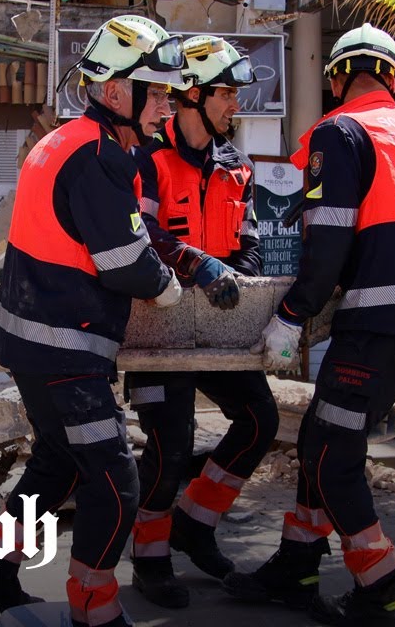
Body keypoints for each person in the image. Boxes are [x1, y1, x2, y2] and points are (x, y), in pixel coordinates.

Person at [0, 14, 185, 627]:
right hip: (66, 350)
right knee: (114, 483)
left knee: (56, 463)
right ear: (114, 91)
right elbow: (126, 264)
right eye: (156, 91)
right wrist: (170, 288)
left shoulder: (67, 140)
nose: (166, 104)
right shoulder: (101, 156)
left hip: (34, 342)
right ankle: (95, 611)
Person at [230, 23, 395, 627]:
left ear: (337, 77)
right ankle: (296, 566)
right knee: (325, 437)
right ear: (393, 77)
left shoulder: (341, 130)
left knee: (328, 452)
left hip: (375, 327)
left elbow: (329, 237)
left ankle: (381, 588)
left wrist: (290, 316)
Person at [125, 35, 279, 608]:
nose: (235, 104)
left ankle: (195, 523)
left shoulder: (236, 165)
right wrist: (198, 264)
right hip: (158, 327)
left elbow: (251, 240)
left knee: (260, 420)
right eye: (226, 93)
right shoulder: (146, 158)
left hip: (218, 326)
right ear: (190, 94)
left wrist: (240, 276)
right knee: (168, 448)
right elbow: (140, 237)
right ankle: (149, 555)